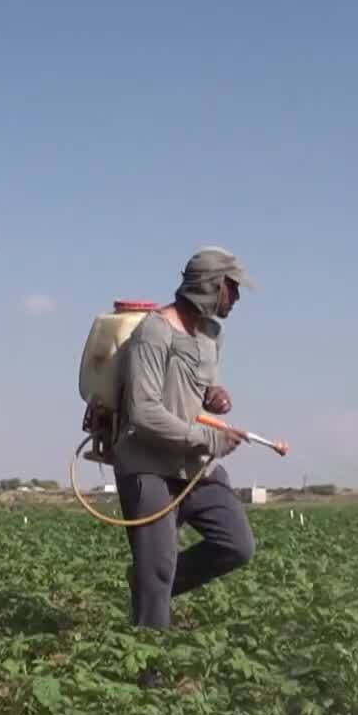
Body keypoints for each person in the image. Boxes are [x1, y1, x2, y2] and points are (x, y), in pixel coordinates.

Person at [110, 247, 258, 645]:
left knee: (237, 546)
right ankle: (149, 678)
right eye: (233, 289)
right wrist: (209, 438)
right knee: (158, 572)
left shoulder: (210, 336)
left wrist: (215, 395)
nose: (237, 298)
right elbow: (144, 412)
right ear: (211, 287)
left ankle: (147, 587)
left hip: (195, 468)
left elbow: (199, 386)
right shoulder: (154, 333)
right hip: (149, 467)